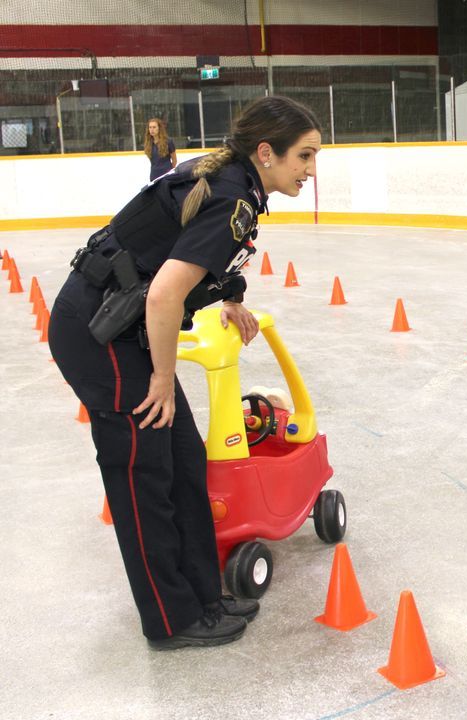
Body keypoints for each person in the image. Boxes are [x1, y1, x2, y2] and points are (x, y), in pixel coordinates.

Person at [48, 96, 322, 649]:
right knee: (145, 478)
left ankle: (204, 595)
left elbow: (194, 254)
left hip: (126, 330)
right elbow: (165, 296)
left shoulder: (235, 183)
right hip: (100, 335)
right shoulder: (230, 195)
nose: (311, 170)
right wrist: (160, 380)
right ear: (266, 153)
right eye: (305, 156)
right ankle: (171, 620)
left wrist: (231, 297)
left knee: (183, 462)